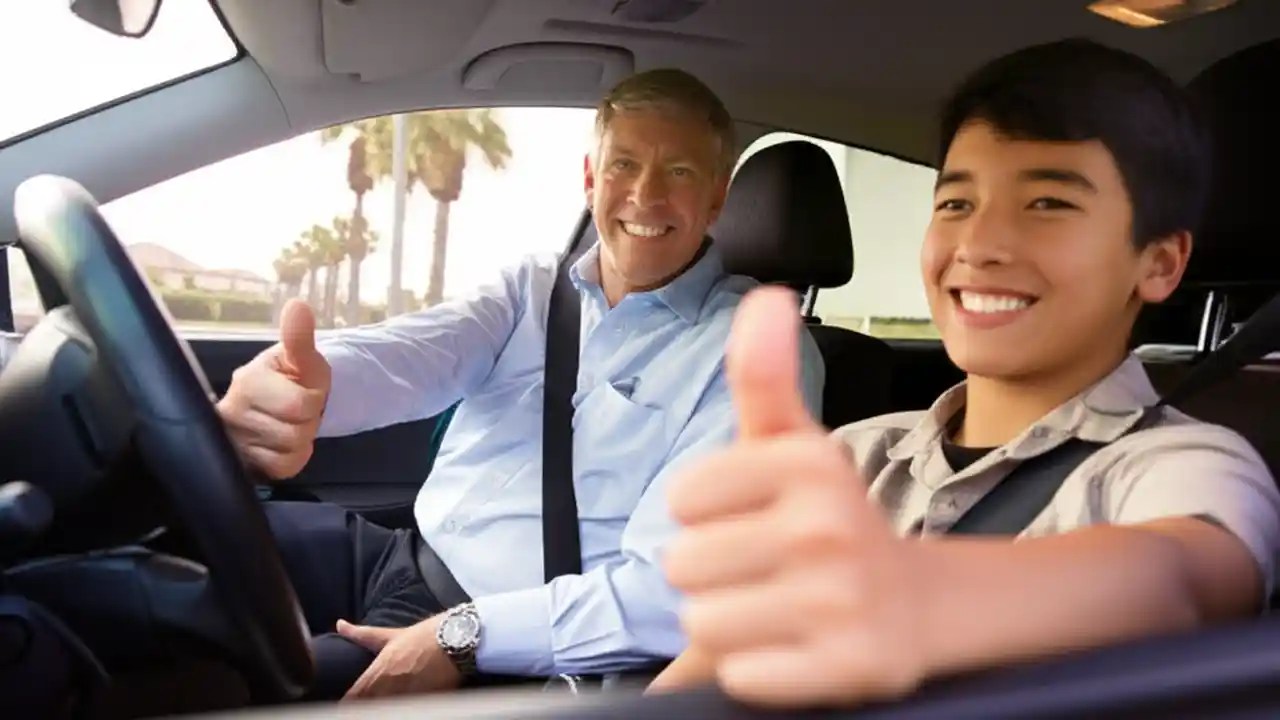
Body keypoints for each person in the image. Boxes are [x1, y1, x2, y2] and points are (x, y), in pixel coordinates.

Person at [649, 39, 1280, 707]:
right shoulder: (854, 457)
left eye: (1048, 205)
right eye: (955, 204)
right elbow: (696, 685)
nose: (980, 245)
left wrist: (916, 595)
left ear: (1158, 263)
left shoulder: (1184, 461)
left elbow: (1181, 578)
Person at [215, 68, 824, 701]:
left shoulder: (759, 352)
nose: (644, 194)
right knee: (197, 535)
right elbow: (416, 353)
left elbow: (673, 590)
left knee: (241, 688)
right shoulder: (532, 290)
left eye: (679, 173)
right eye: (623, 165)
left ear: (716, 200)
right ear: (591, 180)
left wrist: (464, 636)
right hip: (403, 558)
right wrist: (304, 386)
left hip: (511, 651)